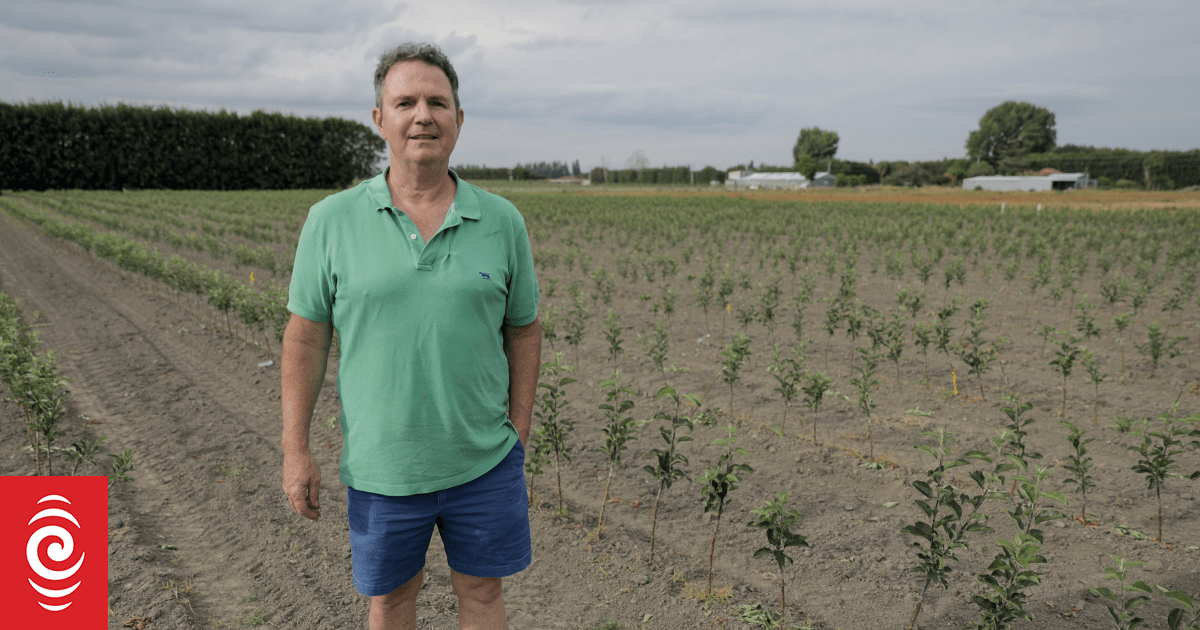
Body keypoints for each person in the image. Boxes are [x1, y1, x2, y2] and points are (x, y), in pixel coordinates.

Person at [281, 41, 541, 630]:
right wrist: (296, 449)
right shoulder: (331, 220)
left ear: (459, 119)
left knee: (482, 592)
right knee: (392, 599)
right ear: (380, 119)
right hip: (384, 466)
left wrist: (518, 436)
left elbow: (524, 330)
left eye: (437, 103)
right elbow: (305, 339)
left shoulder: (502, 221)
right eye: (405, 103)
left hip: (485, 460)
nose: (423, 116)